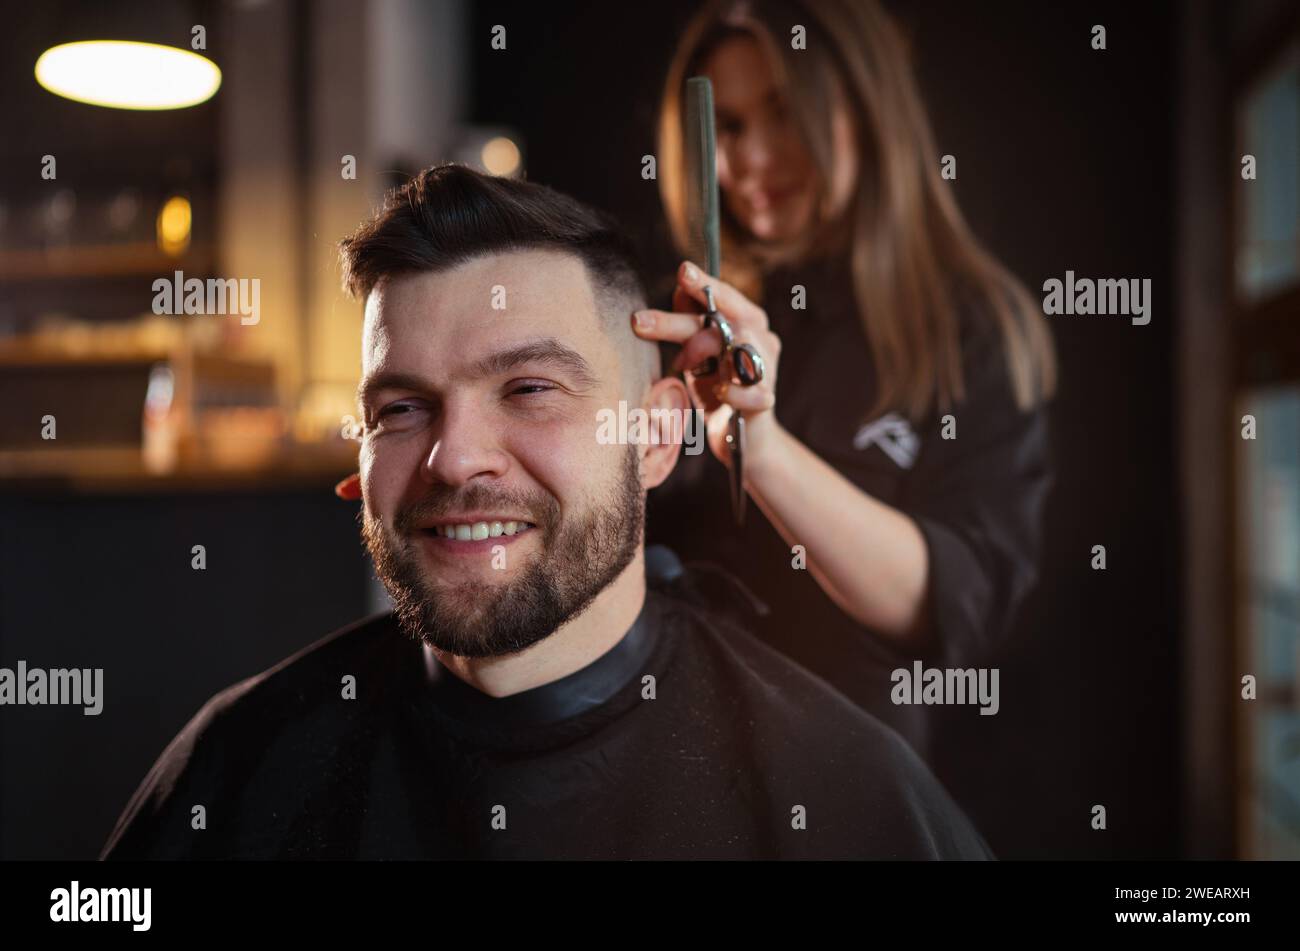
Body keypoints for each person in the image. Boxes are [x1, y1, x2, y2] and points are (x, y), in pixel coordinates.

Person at [100, 164, 992, 860]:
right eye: (401, 409)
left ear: (653, 437)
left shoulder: (843, 795)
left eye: (529, 388)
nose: (454, 459)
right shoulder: (238, 765)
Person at [636, 0, 1057, 757]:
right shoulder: (694, 314)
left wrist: (760, 450)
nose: (754, 158)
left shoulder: (971, 331)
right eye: (728, 128)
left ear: (866, 107)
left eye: (786, 112)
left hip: (848, 783)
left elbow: (949, 600)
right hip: (670, 758)